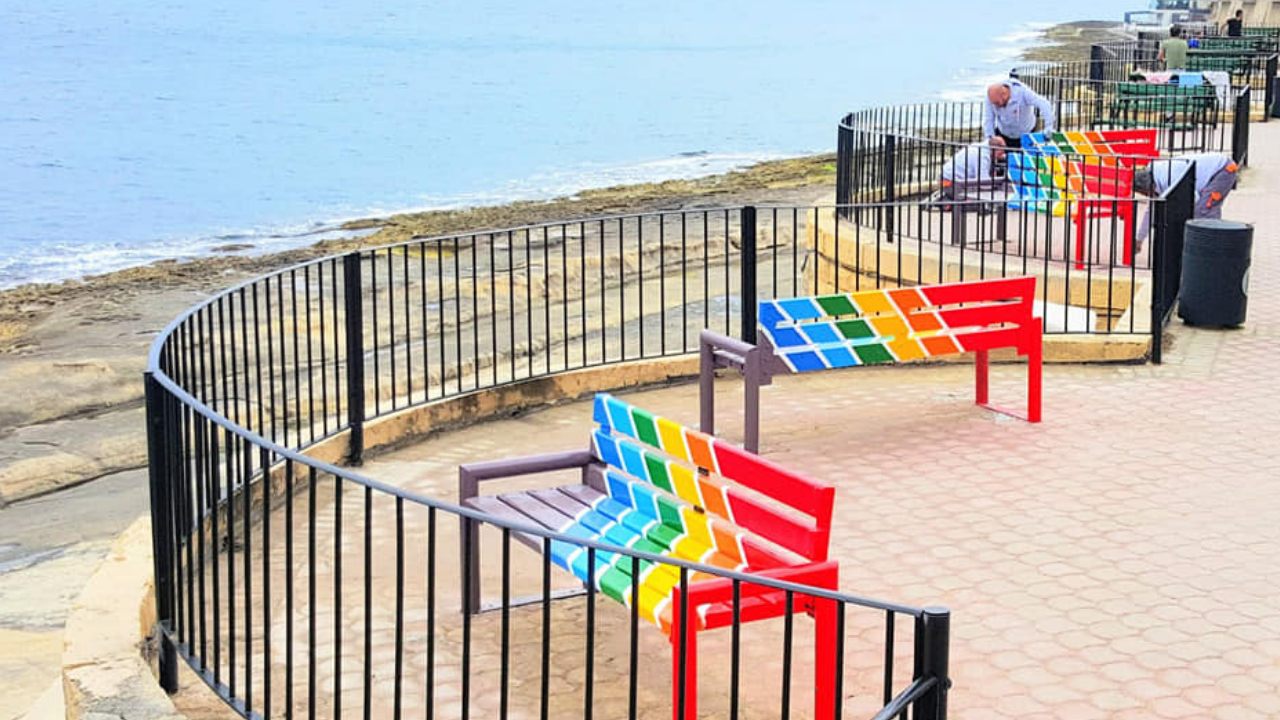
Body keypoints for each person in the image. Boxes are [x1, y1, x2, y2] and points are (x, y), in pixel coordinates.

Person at [1133, 152, 1240, 250]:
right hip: (1212, 171)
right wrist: (1139, 239)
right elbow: (1152, 210)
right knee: (1201, 210)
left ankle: (1211, 248)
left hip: (1223, 170)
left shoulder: (1169, 179)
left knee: (1203, 210)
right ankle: (1205, 245)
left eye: (1145, 193)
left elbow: (1193, 198)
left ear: (1149, 186)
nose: (1147, 196)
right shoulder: (1155, 176)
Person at [983, 80, 1055, 149]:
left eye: (997, 103)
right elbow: (989, 119)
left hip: (1026, 133)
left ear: (1004, 94)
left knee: (1026, 159)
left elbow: (1043, 103)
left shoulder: (1022, 92)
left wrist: (1049, 126)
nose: (995, 106)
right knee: (1003, 160)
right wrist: (990, 139)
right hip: (1004, 134)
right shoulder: (992, 98)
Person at [939, 136, 1006, 201]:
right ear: (995, 148)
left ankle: (949, 197)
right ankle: (948, 202)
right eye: (1000, 153)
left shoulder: (979, 146)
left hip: (944, 179)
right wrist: (998, 185)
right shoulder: (982, 156)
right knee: (980, 202)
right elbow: (983, 183)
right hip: (951, 183)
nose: (1000, 156)